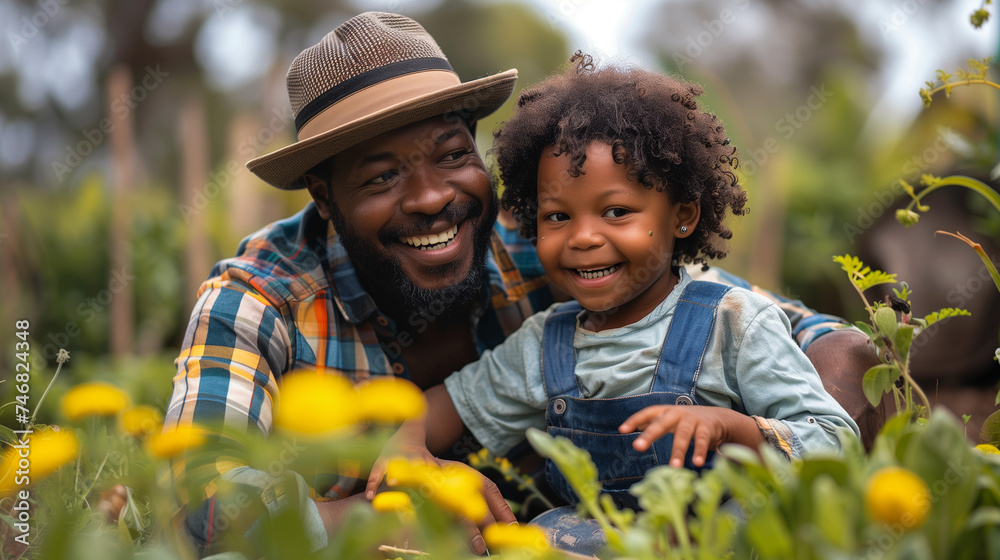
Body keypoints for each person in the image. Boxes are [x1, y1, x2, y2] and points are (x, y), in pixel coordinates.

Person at [165, 11, 879, 559]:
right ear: (323, 198)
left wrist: (770, 428)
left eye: (451, 155)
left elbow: (778, 328)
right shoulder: (260, 299)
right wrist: (397, 503)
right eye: (382, 177)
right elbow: (201, 502)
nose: (430, 198)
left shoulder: (552, 244)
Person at [364, 54, 860, 552]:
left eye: (616, 211)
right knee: (535, 538)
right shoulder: (546, 343)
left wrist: (731, 427)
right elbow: (440, 407)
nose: (582, 238)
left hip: (719, 534)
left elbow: (834, 440)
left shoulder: (733, 322)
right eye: (557, 216)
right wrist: (407, 443)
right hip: (603, 539)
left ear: (683, 216)